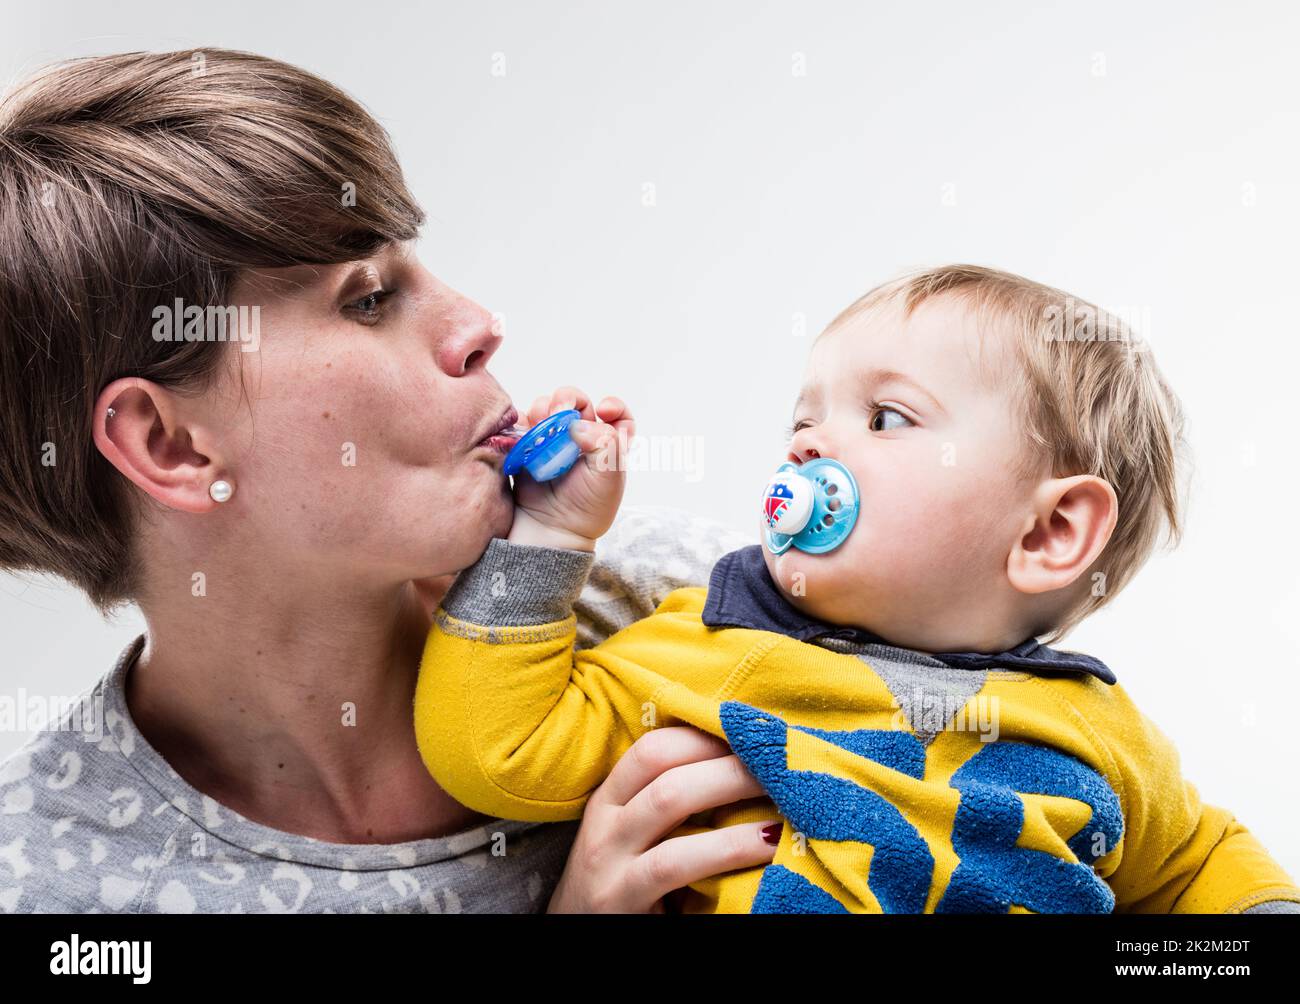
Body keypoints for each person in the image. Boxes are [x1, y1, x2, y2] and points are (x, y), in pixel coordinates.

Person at [0, 48, 778, 913]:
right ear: (170, 446)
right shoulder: (50, 887)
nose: (481, 326)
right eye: (368, 298)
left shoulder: (683, 600)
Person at [415, 265, 1300, 913]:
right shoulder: (699, 648)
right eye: (803, 419)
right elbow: (495, 753)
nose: (806, 444)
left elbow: (1197, 866)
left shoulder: (1097, 729)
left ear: (1048, 532)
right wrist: (552, 535)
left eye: (886, 418)